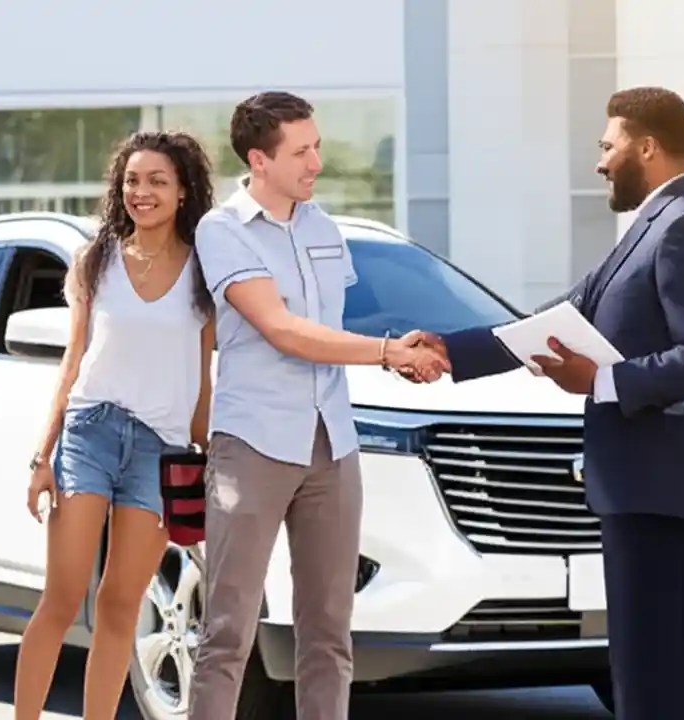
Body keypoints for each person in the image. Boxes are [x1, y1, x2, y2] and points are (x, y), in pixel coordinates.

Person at [420, 86, 684, 719]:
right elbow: (561, 318)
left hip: (666, 496)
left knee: (654, 685)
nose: (600, 162)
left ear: (647, 147)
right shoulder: (655, 227)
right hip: (662, 492)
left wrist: (598, 381)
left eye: (608, 145)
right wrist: (448, 351)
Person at [187, 90, 447, 720]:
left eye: (317, 146)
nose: (316, 162)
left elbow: (339, 328)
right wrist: (388, 352)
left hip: (333, 445)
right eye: (301, 151)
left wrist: (409, 357)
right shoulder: (221, 231)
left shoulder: (323, 225)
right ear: (259, 159)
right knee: (229, 630)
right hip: (252, 445)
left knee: (330, 632)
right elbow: (284, 330)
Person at [13, 130, 219, 720]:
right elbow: (72, 362)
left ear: (183, 191)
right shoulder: (96, 260)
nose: (141, 191)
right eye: (132, 180)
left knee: (122, 604)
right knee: (62, 596)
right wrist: (41, 457)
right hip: (91, 433)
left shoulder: (205, 272)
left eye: (157, 180)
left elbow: (201, 378)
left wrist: (208, 465)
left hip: (162, 451)